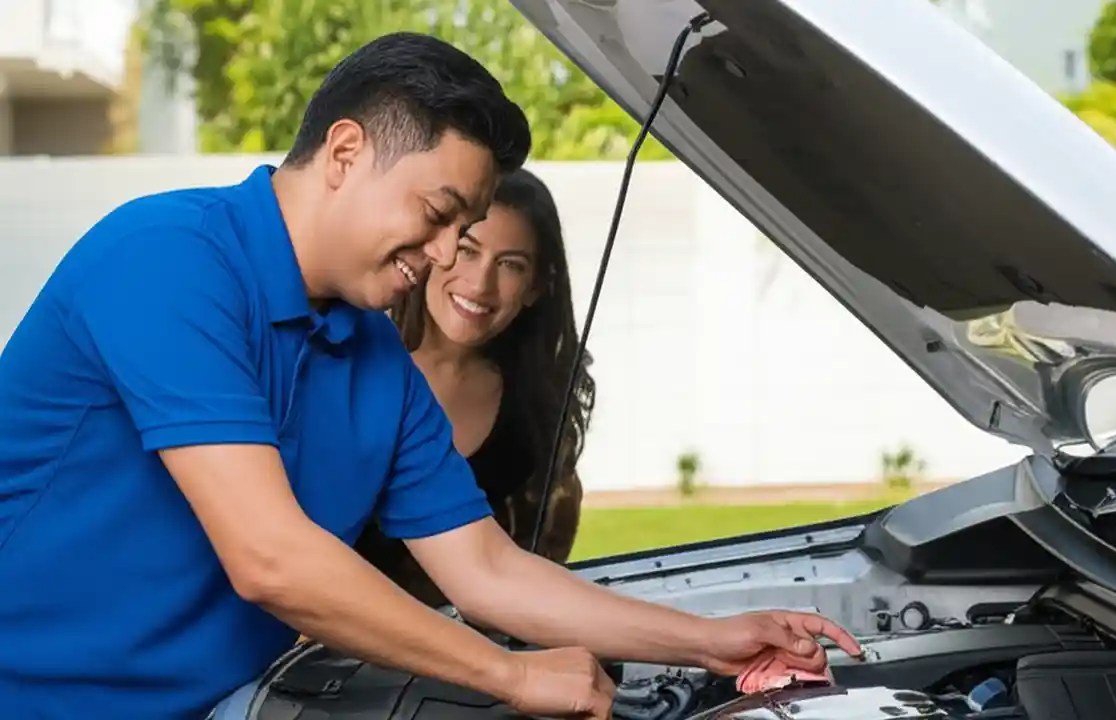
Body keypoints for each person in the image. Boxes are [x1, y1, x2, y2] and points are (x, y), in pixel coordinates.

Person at [0, 32, 861, 720]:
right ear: (345, 152)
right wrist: (509, 677)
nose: (451, 256)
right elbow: (271, 560)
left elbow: (487, 568)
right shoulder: (166, 261)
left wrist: (710, 642)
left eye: (471, 225)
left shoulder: (373, 355)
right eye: (441, 214)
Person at [354, 166, 592, 606]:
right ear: (434, 248)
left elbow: (539, 584)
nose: (481, 284)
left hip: (474, 663)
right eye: (467, 250)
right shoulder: (347, 368)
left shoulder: (539, 418)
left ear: (535, 287)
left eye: (510, 265)